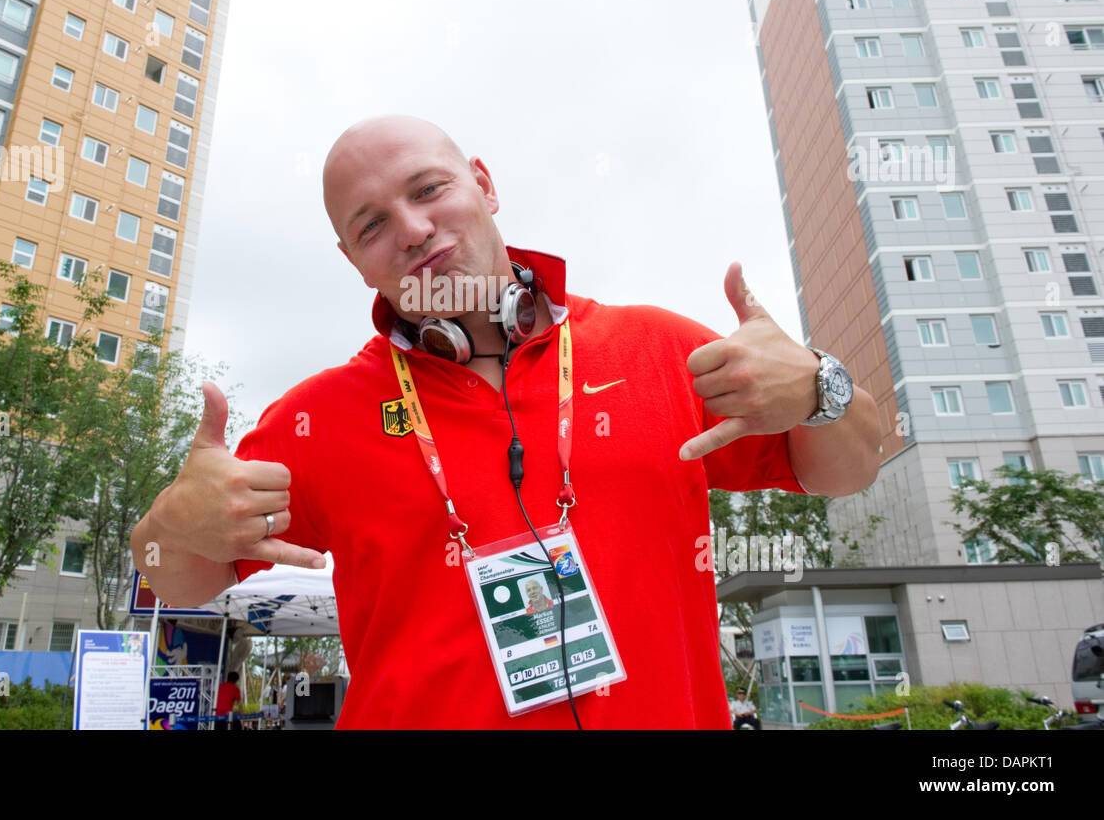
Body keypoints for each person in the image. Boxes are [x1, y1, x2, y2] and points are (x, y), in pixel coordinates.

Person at [130, 115, 880, 729]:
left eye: (430, 189)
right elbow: (182, 580)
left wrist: (821, 386)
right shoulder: (315, 419)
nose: (415, 229)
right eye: (372, 225)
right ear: (354, 260)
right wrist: (171, 522)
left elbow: (849, 468)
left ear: (484, 184)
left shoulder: (657, 349)